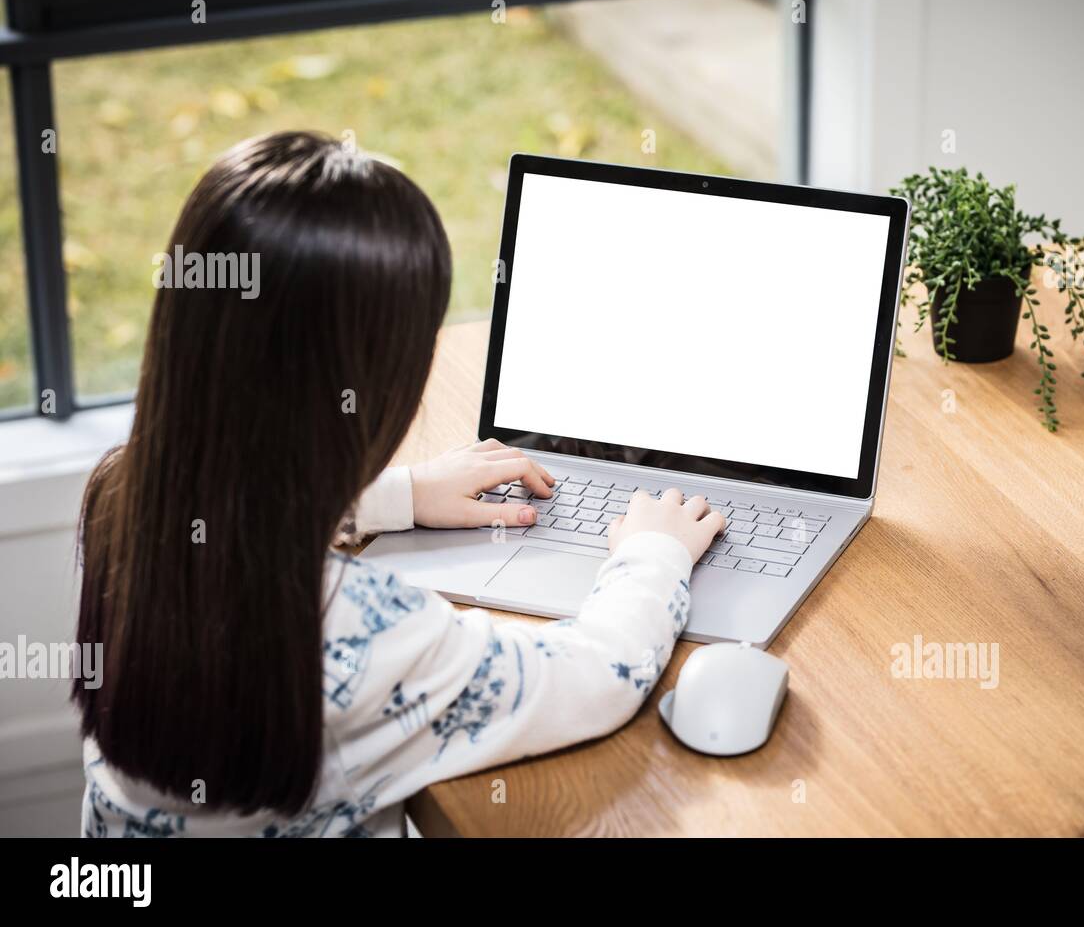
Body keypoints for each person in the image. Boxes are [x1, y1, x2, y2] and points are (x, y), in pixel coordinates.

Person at [74, 131, 725, 837]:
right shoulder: (368, 634)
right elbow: (600, 678)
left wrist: (399, 495)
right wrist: (653, 555)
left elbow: (243, 494)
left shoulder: (124, 498)